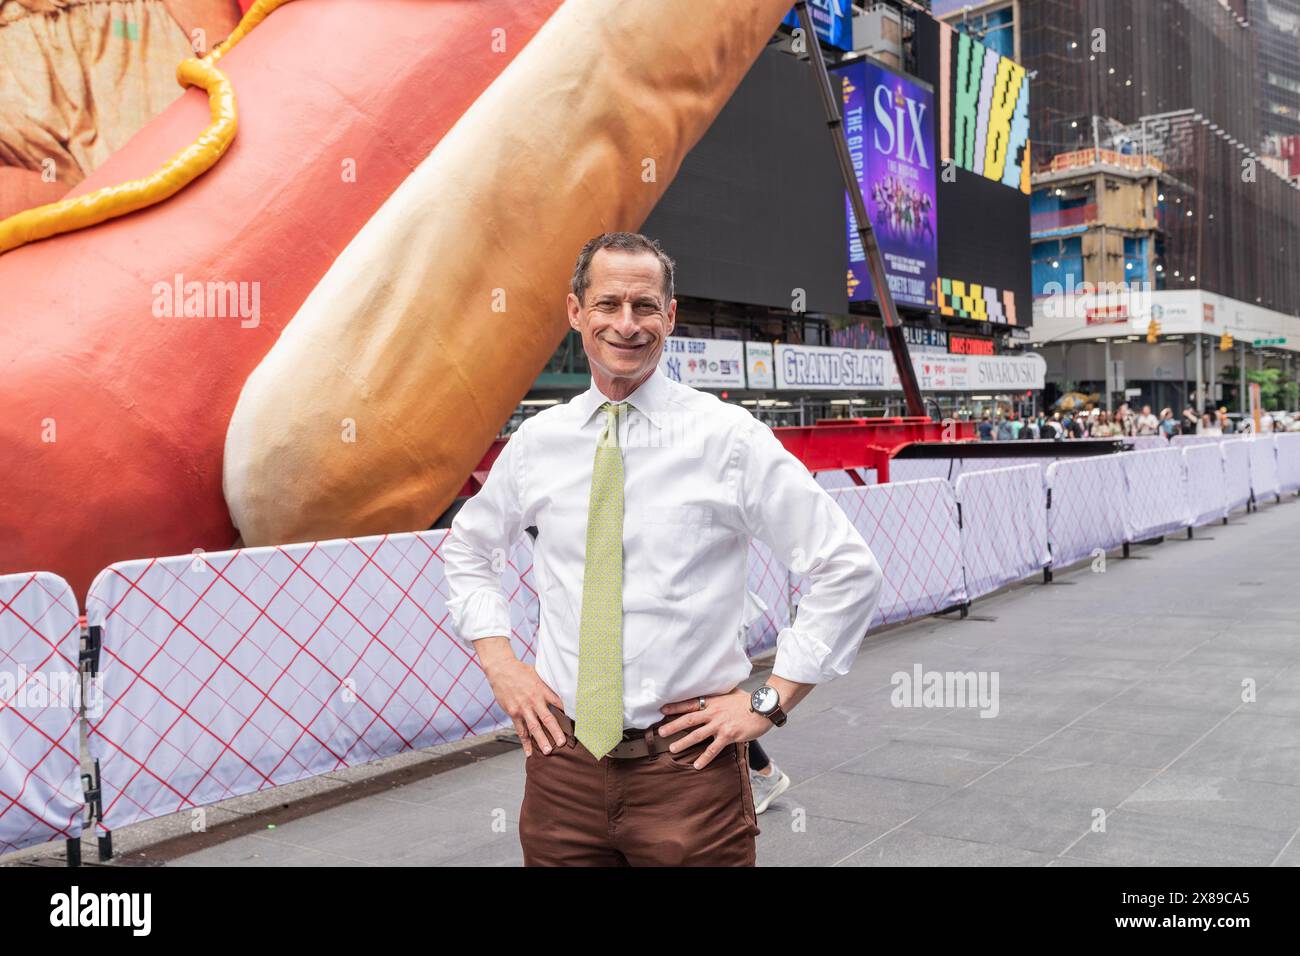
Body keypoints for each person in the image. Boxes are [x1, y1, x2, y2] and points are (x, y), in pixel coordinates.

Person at [442, 232, 883, 866]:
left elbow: (846, 568)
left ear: (669, 317)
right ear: (576, 313)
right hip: (561, 770)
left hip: (689, 776)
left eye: (645, 306)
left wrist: (768, 702)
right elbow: (468, 549)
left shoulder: (728, 439)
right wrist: (501, 665)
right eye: (608, 304)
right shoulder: (541, 441)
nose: (627, 323)